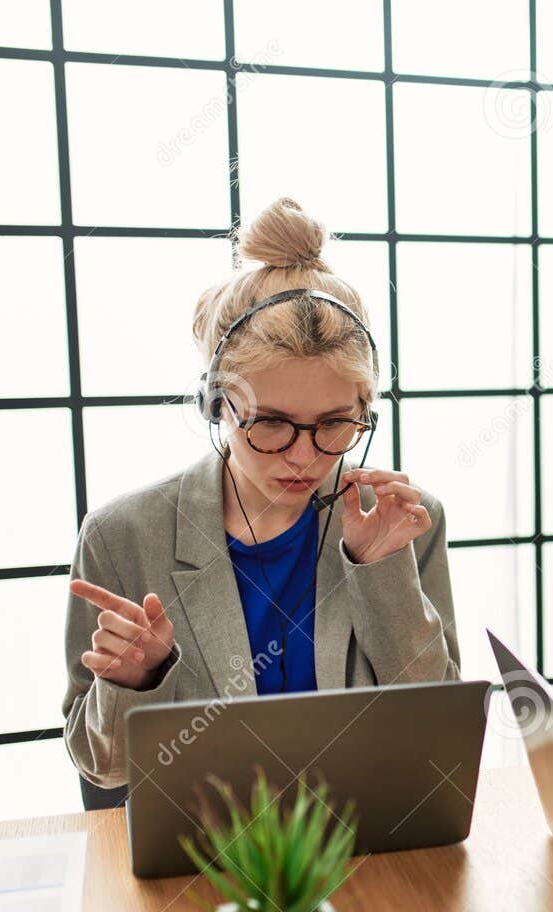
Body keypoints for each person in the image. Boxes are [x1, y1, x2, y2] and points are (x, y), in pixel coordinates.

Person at [63, 197, 459, 791]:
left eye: (335, 423)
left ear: (365, 410)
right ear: (216, 405)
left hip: (369, 845)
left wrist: (382, 574)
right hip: (200, 863)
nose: (304, 457)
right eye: (270, 422)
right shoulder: (124, 536)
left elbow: (437, 735)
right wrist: (133, 682)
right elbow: (103, 765)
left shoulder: (403, 520)